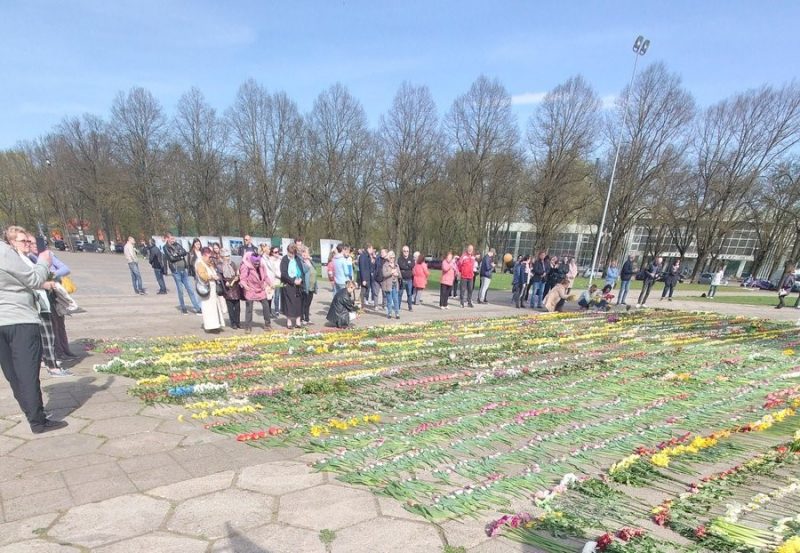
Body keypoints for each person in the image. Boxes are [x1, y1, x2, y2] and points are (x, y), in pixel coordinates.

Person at [1, 226, 68, 433]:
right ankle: (38, 421)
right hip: (19, 320)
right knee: (26, 372)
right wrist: (43, 261)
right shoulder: (5, 252)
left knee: (12, 373)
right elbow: (34, 279)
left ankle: (32, 413)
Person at [163, 233, 202, 315]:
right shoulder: (165, 247)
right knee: (180, 290)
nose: (173, 240)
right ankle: (183, 307)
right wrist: (179, 255)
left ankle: (197, 308)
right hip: (176, 271)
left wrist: (177, 254)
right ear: (167, 239)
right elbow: (171, 258)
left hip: (183, 270)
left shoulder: (177, 244)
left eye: (173, 238)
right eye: (171, 238)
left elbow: (184, 252)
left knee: (190, 289)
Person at [239, 252, 273, 332]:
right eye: (255, 263)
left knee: (266, 306)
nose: (257, 264)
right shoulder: (246, 266)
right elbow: (242, 279)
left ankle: (267, 324)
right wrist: (245, 286)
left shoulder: (262, 266)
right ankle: (247, 327)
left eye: (258, 263)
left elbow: (265, 277)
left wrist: (270, 284)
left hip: (260, 290)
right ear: (252, 261)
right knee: (249, 308)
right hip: (250, 290)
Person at [195, 247, 225, 333]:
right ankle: (210, 326)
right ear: (204, 255)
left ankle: (216, 325)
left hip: (212, 288)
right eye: (209, 256)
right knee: (208, 308)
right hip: (206, 288)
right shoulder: (200, 263)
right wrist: (211, 277)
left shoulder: (208, 262)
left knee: (214, 307)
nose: (210, 257)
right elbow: (202, 276)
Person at [280, 244, 304, 329]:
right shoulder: (284, 259)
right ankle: (289, 321)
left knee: (298, 302)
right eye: (290, 253)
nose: (292, 255)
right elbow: (284, 273)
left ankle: (298, 321)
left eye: (293, 253)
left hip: (298, 284)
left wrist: (300, 279)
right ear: (287, 251)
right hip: (289, 284)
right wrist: (293, 281)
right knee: (289, 303)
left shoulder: (297, 258)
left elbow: (301, 270)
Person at [218, 249, 242, 329]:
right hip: (227, 288)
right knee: (231, 307)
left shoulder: (233, 264)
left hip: (235, 286)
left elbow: (237, 273)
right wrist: (225, 282)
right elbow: (220, 277)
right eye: (226, 256)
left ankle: (238, 322)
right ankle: (233, 323)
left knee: (237, 307)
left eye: (228, 256)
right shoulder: (220, 265)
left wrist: (237, 277)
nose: (227, 258)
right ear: (222, 257)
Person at [382, 250, 401, 319]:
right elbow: (384, 274)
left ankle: (397, 313)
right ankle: (389, 313)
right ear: (388, 258)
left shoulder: (396, 265)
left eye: (393, 257)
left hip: (395, 284)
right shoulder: (385, 265)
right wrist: (391, 272)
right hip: (388, 285)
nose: (392, 259)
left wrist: (397, 274)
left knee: (396, 300)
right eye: (391, 257)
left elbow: (400, 275)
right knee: (389, 300)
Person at [300, 246, 318, 325]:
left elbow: (315, 268)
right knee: (304, 303)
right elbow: (304, 270)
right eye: (303, 252)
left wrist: (310, 260)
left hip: (312, 286)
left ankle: (307, 318)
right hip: (305, 286)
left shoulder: (310, 262)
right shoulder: (301, 262)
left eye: (306, 252)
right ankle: (302, 318)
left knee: (308, 304)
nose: (305, 254)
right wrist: (305, 261)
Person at [265, 246, 282, 317]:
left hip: (278, 280)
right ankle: (268, 311)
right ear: (272, 253)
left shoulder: (280, 259)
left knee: (277, 295)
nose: (277, 253)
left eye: (278, 252)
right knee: (270, 296)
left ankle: (277, 310)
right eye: (275, 252)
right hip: (271, 280)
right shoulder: (269, 260)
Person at [357, 244, 375, 309]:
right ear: (368, 248)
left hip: (368, 277)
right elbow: (362, 268)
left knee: (365, 292)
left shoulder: (368, 256)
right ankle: (360, 306)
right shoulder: (363, 256)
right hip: (364, 278)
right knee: (363, 292)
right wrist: (364, 279)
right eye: (372, 249)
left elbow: (369, 267)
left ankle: (361, 305)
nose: (372, 250)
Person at [398, 246, 415, 311]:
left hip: (409, 279)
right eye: (404, 251)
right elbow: (401, 266)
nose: (406, 252)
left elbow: (412, 265)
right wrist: (408, 266)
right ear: (402, 251)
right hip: (402, 279)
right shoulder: (400, 259)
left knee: (409, 294)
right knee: (400, 294)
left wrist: (406, 266)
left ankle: (410, 307)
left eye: (407, 251)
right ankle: (398, 307)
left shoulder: (411, 258)